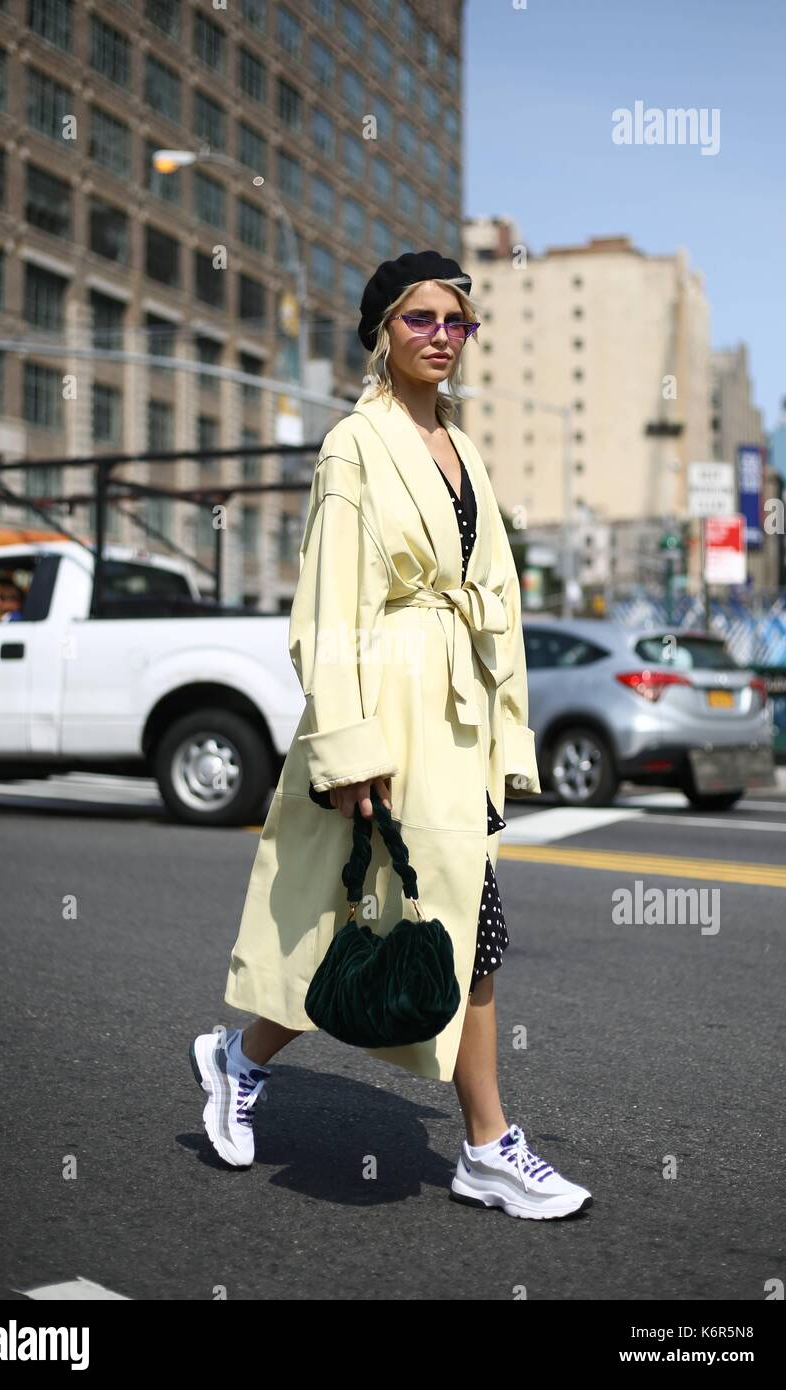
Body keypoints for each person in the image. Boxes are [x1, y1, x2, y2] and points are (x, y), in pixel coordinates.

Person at [190, 251, 592, 1220]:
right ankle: (465, 1138)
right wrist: (347, 747)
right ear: (381, 331)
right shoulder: (351, 445)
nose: (441, 337)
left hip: (455, 720)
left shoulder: (465, 449)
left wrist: (505, 741)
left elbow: (495, 599)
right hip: (389, 716)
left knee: (449, 928)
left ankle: (467, 1137)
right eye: (421, 320)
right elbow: (324, 610)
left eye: (457, 322)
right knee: (376, 924)